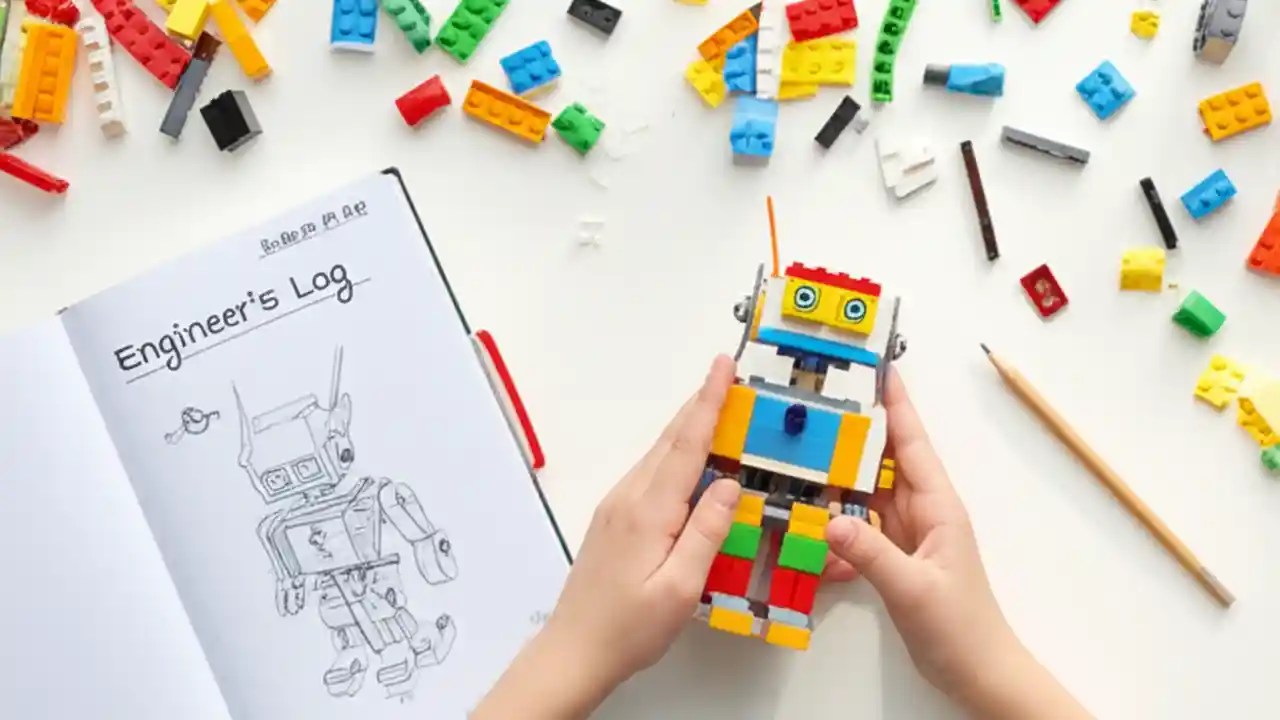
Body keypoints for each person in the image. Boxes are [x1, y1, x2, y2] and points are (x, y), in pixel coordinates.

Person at [473, 356, 1089, 719]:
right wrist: (992, 671)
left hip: (801, 512)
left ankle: (776, 610)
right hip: (756, 501)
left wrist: (572, 651)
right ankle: (737, 600)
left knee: (792, 549)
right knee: (746, 541)